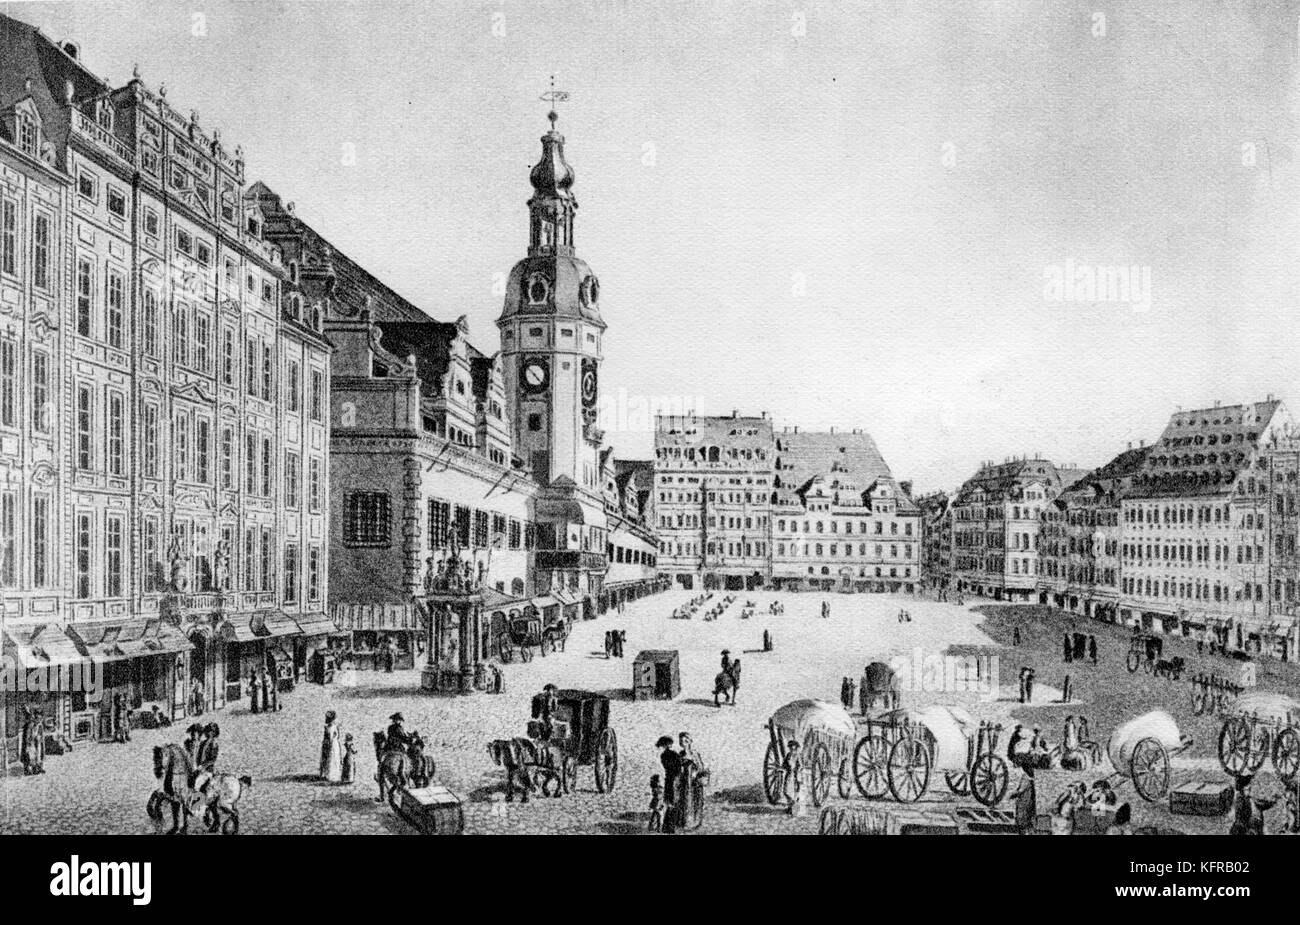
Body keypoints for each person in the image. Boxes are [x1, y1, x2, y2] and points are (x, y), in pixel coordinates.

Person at [656, 736, 682, 833]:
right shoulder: (672, 754)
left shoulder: (663, 755)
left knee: (669, 803)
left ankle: (667, 827)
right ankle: (670, 827)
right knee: (673, 803)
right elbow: (678, 767)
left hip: (669, 780)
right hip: (674, 779)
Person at [782, 740, 805, 816]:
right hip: (789, 775)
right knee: (786, 791)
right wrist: (783, 768)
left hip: (795, 775)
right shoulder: (788, 755)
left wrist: (797, 769)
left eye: (793, 746)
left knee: (795, 792)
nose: (792, 748)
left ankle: (793, 808)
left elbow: (801, 765)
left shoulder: (797, 755)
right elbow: (784, 764)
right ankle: (790, 805)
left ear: (796, 747)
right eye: (790, 746)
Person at [320, 711, 342, 783]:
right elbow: (334, 737)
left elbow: (330, 737)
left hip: (330, 744)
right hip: (331, 744)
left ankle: (330, 774)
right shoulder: (331, 727)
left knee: (331, 758)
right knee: (330, 758)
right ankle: (330, 774)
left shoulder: (330, 727)